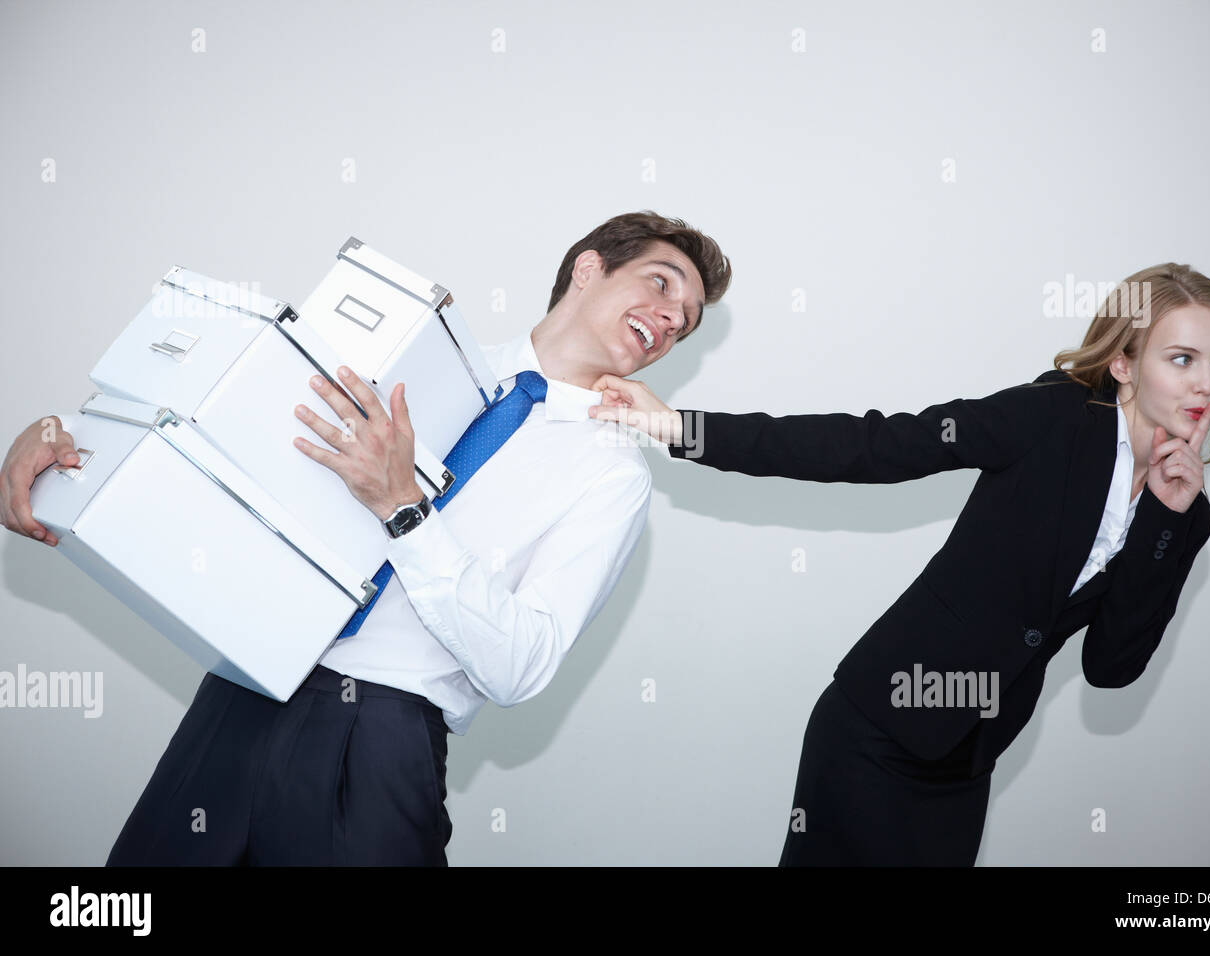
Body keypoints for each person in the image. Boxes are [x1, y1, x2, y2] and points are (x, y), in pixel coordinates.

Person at [0, 210, 732, 865]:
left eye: (687, 321)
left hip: (379, 743)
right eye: (663, 285)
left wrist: (405, 510)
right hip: (238, 701)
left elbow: (522, 667)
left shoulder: (612, 474)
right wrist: (63, 436)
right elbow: (219, 425)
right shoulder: (412, 360)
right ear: (589, 267)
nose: (671, 320)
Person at [588, 263, 1210, 865]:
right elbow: (872, 446)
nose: (1206, 383)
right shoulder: (1052, 418)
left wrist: (1164, 517)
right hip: (875, 734)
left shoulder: (1184, 512)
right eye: (1182, 358)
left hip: (966, 766)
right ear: (1125, 363)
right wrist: (681, 428)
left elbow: (1111, 668)